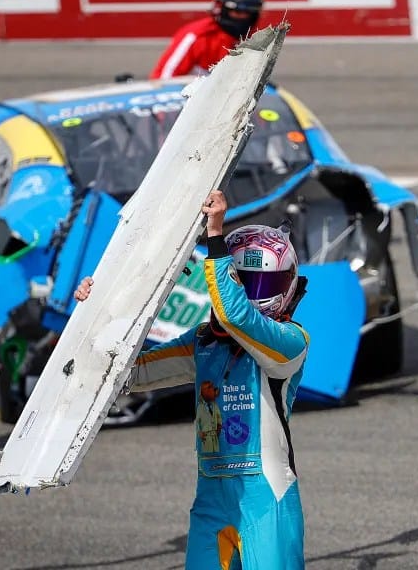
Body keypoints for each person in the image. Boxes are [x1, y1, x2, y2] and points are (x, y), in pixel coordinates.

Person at [74, 190, 309, 568]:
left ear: (288, 284)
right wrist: (95, 310)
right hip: (211, 501)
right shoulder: (202, 342)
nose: (251, 295)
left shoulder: (292, 342)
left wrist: (215, 235)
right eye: (242, 282)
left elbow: (236, 317)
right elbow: (126, 374)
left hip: (266, 501)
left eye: (261, 285)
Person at [149, 0, 264, 79]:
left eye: (249, 12)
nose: (243, 17)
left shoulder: (258, 41)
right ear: (220, 6)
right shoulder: (196, 36)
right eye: (237, 11)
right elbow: (162, 82)